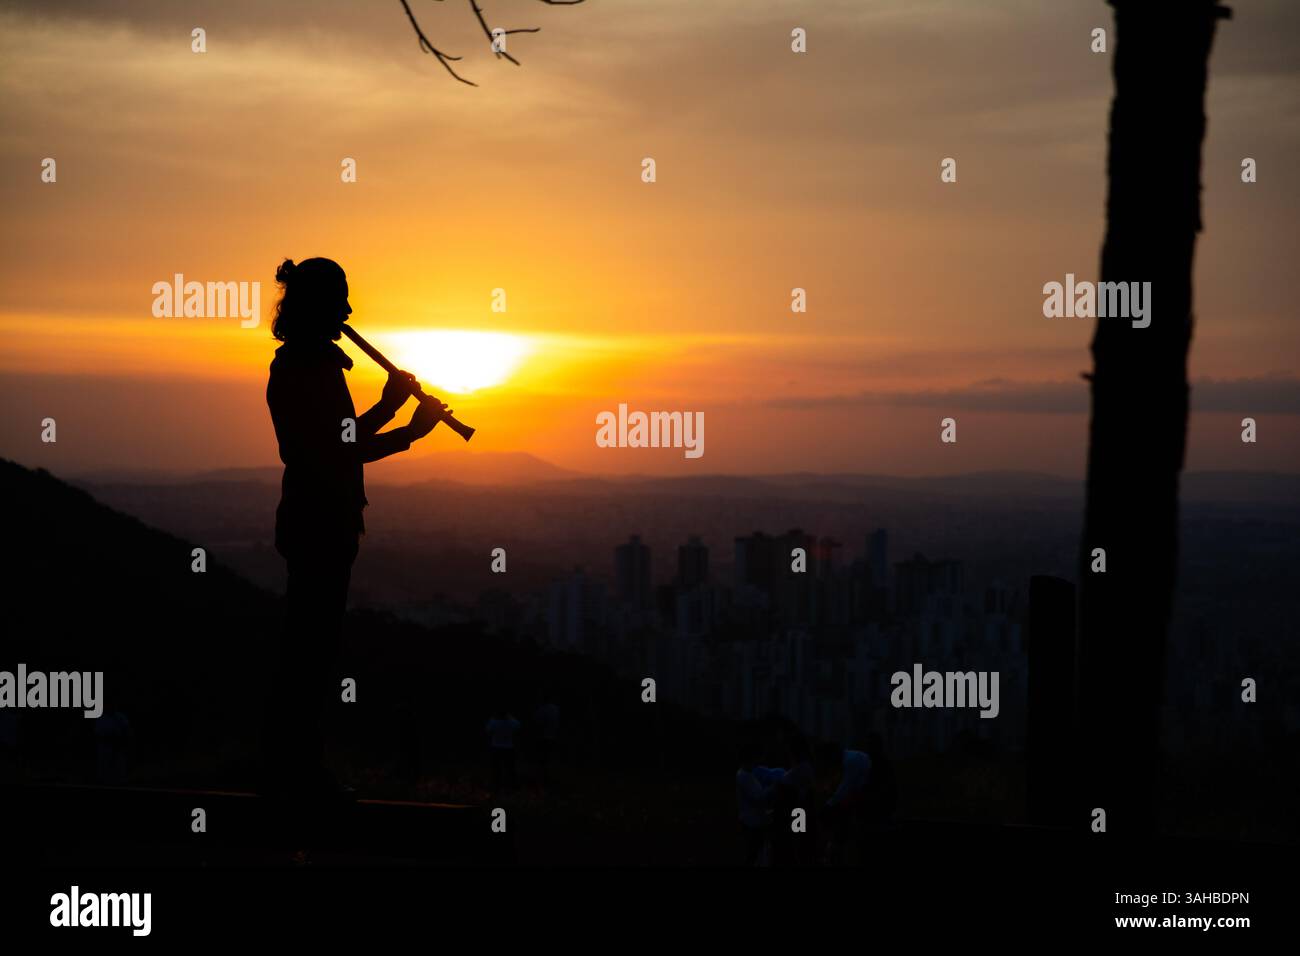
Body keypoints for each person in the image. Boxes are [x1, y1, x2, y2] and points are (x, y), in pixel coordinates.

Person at [261, 257, 446, 797]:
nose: (348, 309)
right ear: (317, 306)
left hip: (325, 523)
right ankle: (293, 772)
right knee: (308, 652)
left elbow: (340, 442)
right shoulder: (303, 368)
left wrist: (392, 413)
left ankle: (294, 768)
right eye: (339, 298)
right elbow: (334, 452)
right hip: (317, 523)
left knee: (312, 648)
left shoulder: (313, 364)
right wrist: (404, 425)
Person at [485, 709, 521, 789]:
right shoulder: (512, 722)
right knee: (509, 768)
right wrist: (511, 717)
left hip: (496, 747)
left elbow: (488, 730)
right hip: (508, 748)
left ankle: (496, 785)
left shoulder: (493, 722)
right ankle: (510, 785)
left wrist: (492, 718)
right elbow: (518, 725)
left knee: (496, 768)